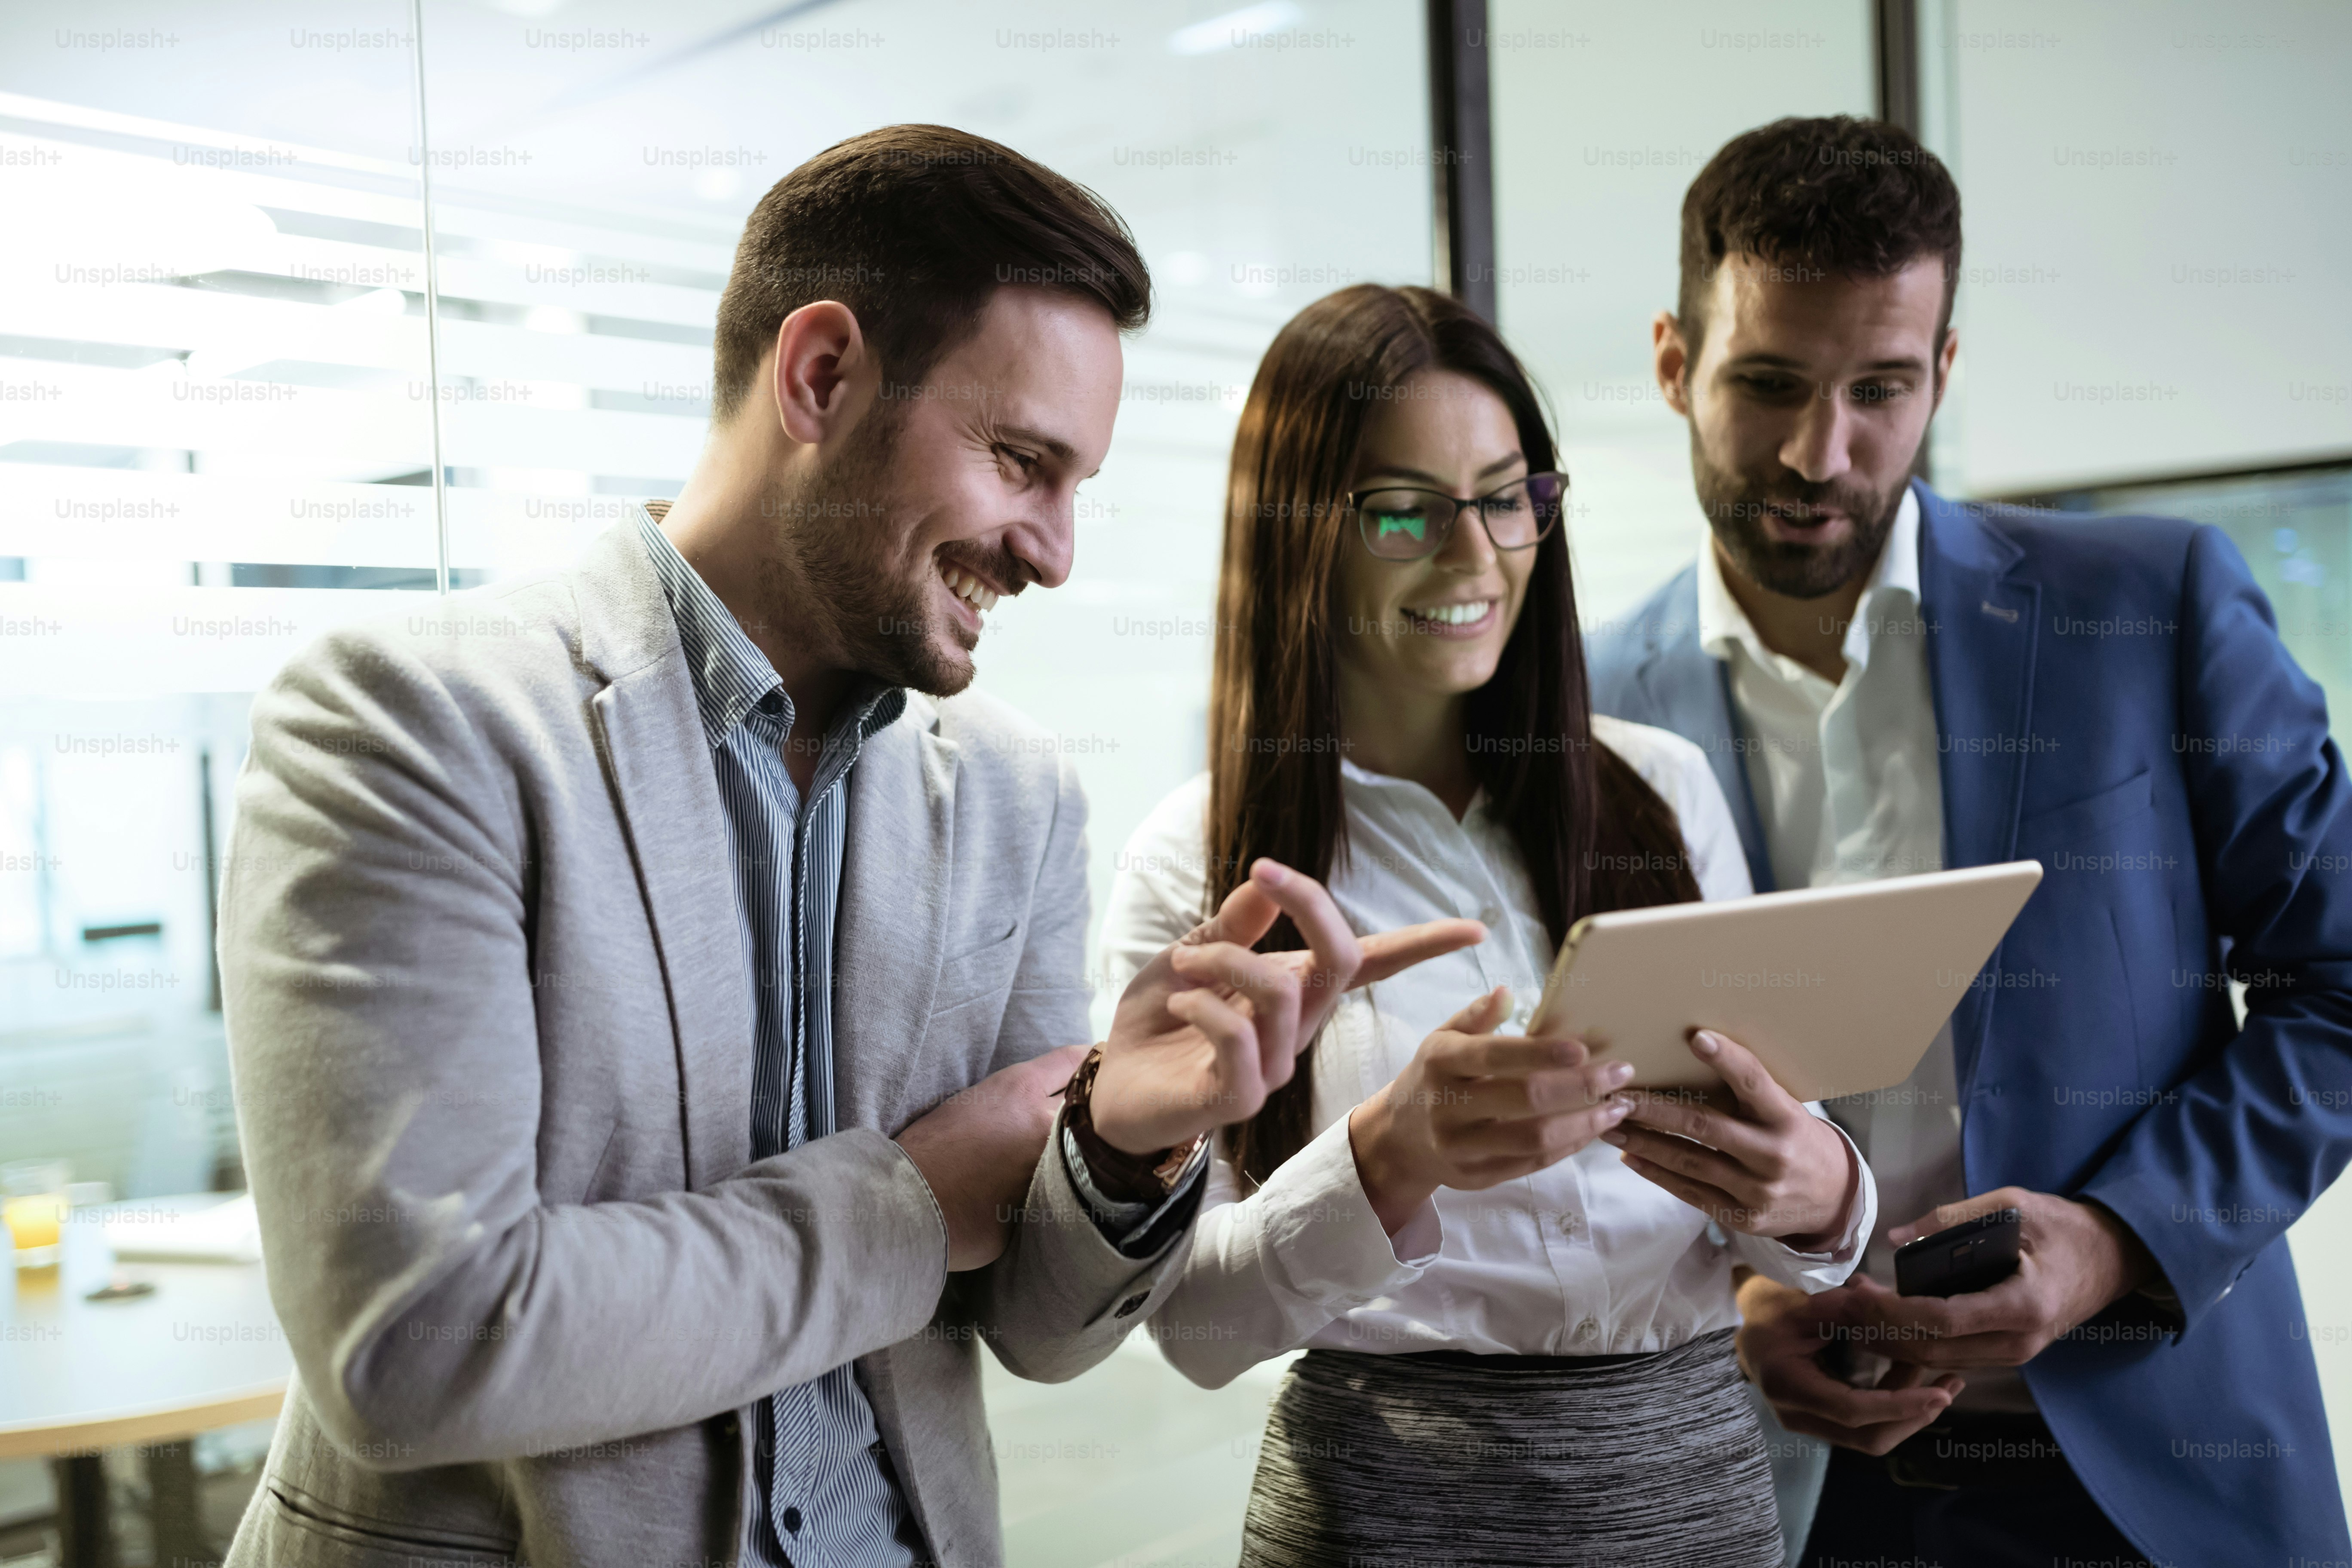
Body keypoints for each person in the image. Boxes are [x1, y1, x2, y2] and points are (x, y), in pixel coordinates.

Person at [214, 125, 1477, 1568]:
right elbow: (421, 1346)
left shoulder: (1012, 794)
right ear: (821, 377)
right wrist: (916, 1202)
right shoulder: (414, 728)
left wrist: (1120, 1149)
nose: (1056, 551)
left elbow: (1041, 1335)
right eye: (1021, 462)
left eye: (1078, 487)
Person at [1587, 114, 2352, 1568]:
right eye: (1769, 384)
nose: (1826, 452)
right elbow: (1586, 1109)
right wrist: (1739, 1303)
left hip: (2145, 1465)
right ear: (1675, 364)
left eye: (1882, 388)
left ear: (1942, 372)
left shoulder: (2154, 604)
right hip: (1786, 1487)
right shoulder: (1580, 706)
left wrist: (2120, 1240)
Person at [1100, 283, 1877, 1568]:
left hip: (1689, 1485)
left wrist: (1820, 1194)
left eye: (1508, 497)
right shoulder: (1199, 863)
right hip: (1386, 1507)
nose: (1475, 560)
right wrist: (1388, 1157)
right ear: (1302, 533)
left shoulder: (1666, 791)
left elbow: (1768, 1203)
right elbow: (1190, 1326)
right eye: (1404, 510)